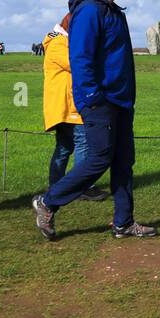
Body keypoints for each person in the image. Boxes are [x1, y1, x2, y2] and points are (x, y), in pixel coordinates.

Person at [32, 0, 155, 240]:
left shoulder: (112, 12)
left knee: (124, 161)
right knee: (99, 159)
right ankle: (47, 202)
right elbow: (81, 58)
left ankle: (123, 223)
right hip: (100, 101)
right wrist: (92, 97)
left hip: (121, 101)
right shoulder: (89, 11)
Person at [42, 13, 106, 200]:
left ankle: (58, 186)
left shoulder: (60, 40)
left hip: (65, 103)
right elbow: (77, 65)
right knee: (81, 142)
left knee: (65, 146)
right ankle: (82, 186)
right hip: (67, 104)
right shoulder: (58, 43)